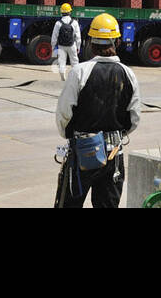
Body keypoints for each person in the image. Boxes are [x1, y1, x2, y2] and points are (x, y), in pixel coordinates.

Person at [55, 13, 142, 208]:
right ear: (117, 41)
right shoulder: (129, 74)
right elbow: (134, 118)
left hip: (82, 152)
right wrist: (116, 135)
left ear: (91, 44)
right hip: (114, 154)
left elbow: (64, 114)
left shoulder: (79, 72)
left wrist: (71, 136)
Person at [50, 3, 81, 81]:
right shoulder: (74, 22)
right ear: (70, 12)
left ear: (62, 12)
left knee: (62, 62)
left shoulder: (58, 23)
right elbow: (78, 37)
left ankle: (63, 77)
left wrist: (53, 47)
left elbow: (54, 36)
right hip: (72, 45)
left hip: (61, 46)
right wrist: (78, 47)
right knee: (74, 62)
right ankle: (75, 78)